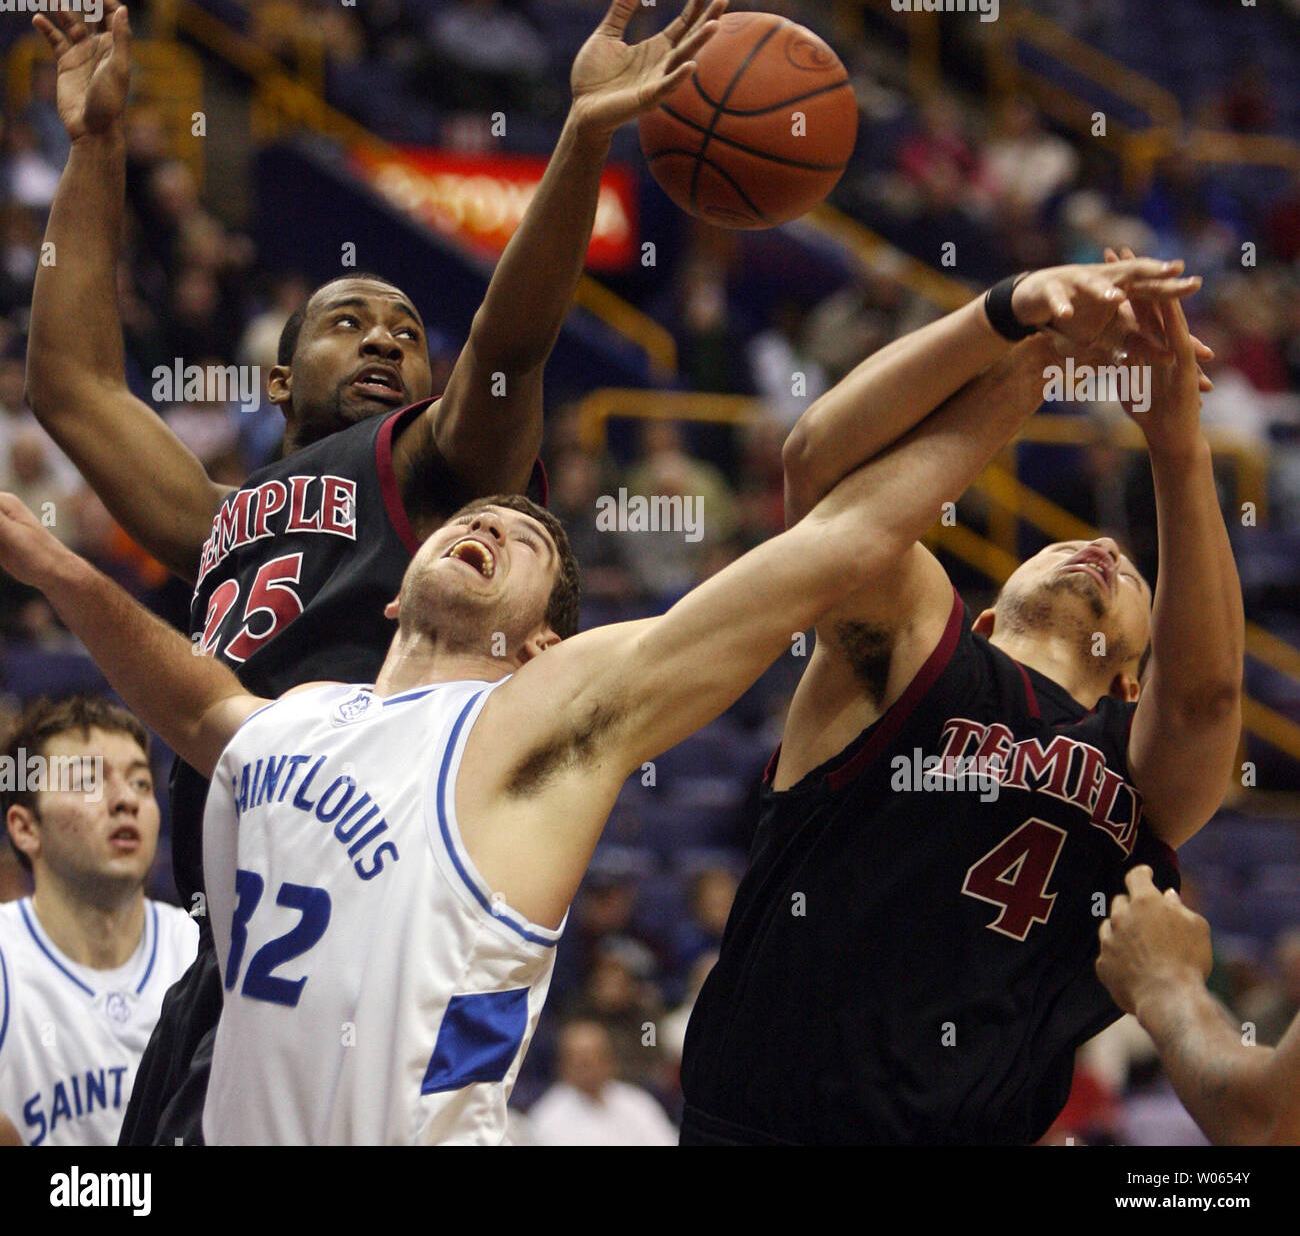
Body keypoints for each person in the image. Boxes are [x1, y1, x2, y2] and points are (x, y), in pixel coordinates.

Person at [0, 261, 1157, 1141]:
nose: (487, 521)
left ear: (543, 640)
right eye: (468, 521)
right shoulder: (292, 719)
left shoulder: (547, 719)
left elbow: (845, 531)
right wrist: (53, 567)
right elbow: (186, 690)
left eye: (522, 539)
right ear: (395, 597)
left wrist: (1027, 357)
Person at [25, 0, 727, 1146]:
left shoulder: (433, 467)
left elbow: (509, 345)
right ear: (274, 377)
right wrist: (94, 144)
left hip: (365, 906)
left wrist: (582, 135)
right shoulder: (222, 515)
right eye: (349, 322)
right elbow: (74, 385)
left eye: (408, 332)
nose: (388, 343)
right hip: (232, 946)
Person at [680, 255, 1244, 1145]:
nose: (1100, 544)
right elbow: (819, 466)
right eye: (1072, 543)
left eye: (1129, 569)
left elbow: (1208, 696)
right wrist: (1019, 325)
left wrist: (1178, 441)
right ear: (982, 618)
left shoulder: (1143, 768)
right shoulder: (920, 649)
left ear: (1134, 678)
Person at [0, 697, 198, 1145]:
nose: (126, 800)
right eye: (90, 781)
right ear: (25, 828)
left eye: (141, 783)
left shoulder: (200, 951)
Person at [1096, 864, 1300, 1145]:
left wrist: (1163, 979)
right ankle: (1099, 1102)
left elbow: (1268, 1119)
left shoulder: (1208, 944)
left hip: (1171, 1009)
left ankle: (1100, 1108)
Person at [529, 1020, 676, 1146]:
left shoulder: (637, 1102)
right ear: (563, 1065)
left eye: (597, 1057)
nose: (590, 1067)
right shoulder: (547, 1116)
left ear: (610, 1060)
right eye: (581, 1061)